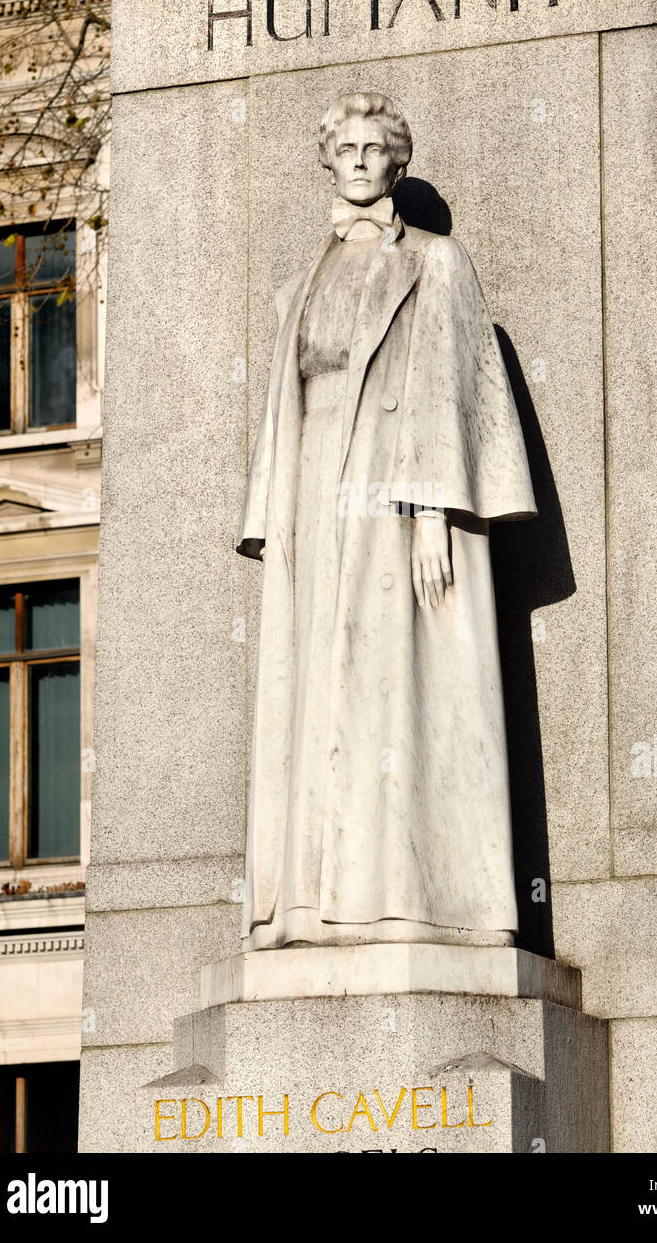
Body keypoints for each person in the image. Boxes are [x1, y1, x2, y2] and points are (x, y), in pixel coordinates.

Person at [235, 90, 536, 951]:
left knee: (394, 686)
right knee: (319, 692)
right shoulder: (300, 284)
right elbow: (283, 413)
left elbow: (455, 391)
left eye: (377, 148)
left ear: (397, 165)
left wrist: (435, 509)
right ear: (328, 161)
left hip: (396, 486)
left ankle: (406, 895)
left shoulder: (440, 263)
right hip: (315, 490)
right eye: (348, 148)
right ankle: (306, 903)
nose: (361, 160)